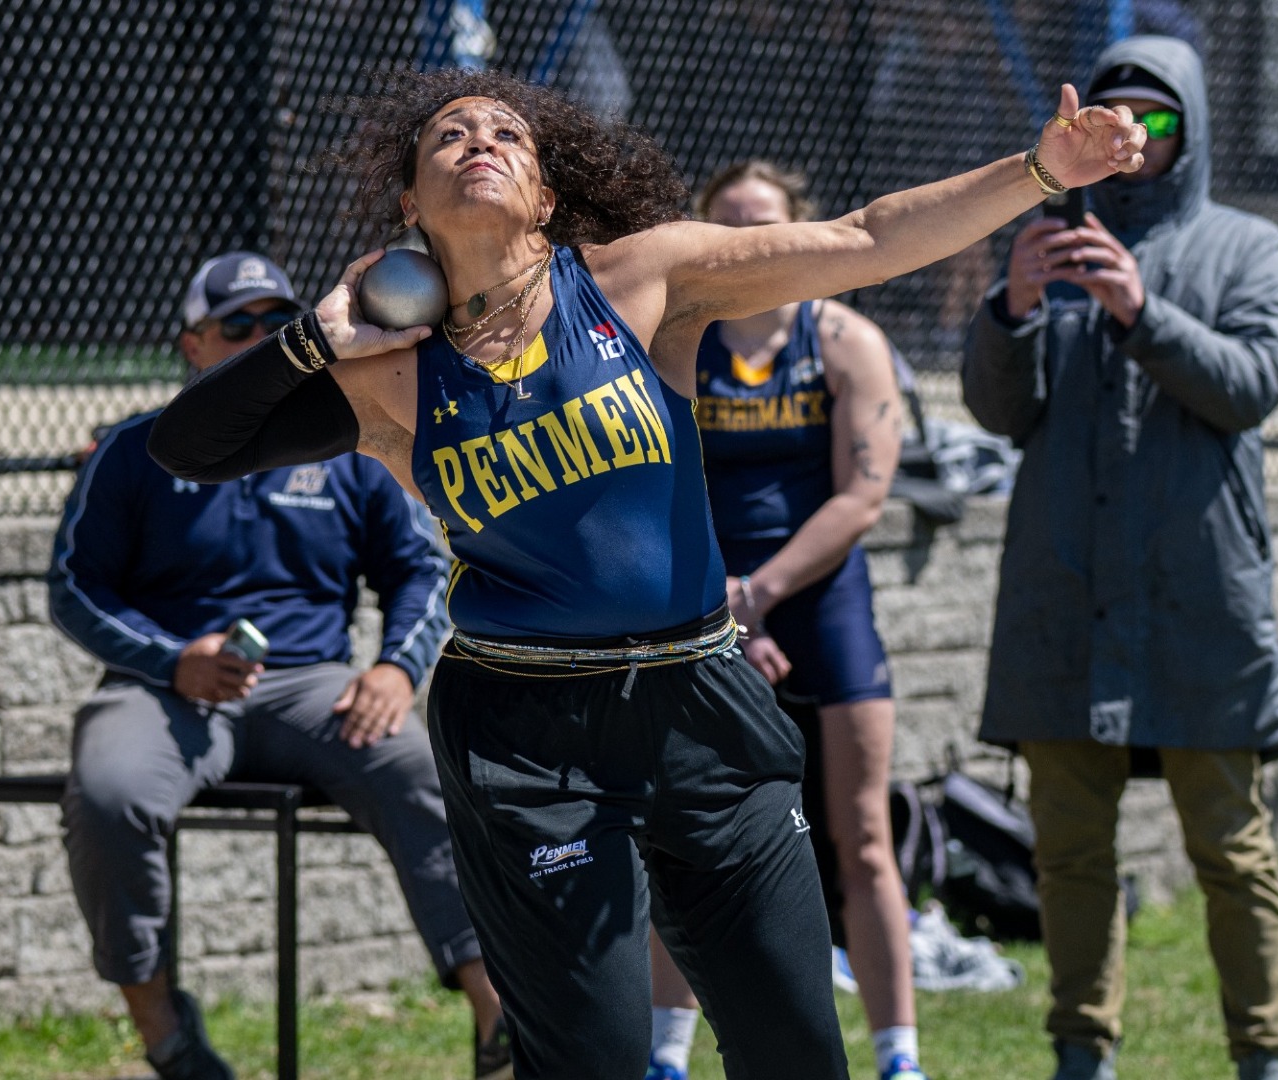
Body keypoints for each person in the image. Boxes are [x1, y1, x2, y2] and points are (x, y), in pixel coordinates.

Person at [143, 66, 1144, 1080]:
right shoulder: (395, 372)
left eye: (508, 133)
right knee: (595, 1063)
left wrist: (1037, 172)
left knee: (797, 1053)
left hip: (698, 702)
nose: (481, 140)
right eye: (449, 136)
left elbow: (865, 239)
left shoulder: (638, 282)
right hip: (524, 738)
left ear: (543, 192)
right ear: (409, 199)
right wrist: (314, 339)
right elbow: (189, 446)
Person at [47, 252, 508, 1080]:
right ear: (191, 346)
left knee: (422, 766)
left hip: (313, 688)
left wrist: (397, 670)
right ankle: (165, 1034)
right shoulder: (133, 449)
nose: (262, 339)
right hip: (167, 688)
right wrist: (171, 659)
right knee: (110, 791)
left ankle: (497, 1021)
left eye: (277, 324)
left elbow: (417, 571)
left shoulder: (348, 446)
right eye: (238, 327)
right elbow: (76, 588)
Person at [962, 36, 1278, 1080]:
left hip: (1201, 596)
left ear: (1189, 130)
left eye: (1154, 121)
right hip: (1066, 594)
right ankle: (1082, 1051)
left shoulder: (1248, 247)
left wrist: (1141, 311)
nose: (1132, 138)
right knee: (1070, 852)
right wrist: (1011, 310)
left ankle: (1265, 1055)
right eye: (1109, 121)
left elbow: (1252, 385)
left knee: (1232, 851)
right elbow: (997, 410)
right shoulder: (1044, 238)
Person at [640, 160, 918, 1080]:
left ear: (801, 232)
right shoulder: (679, 334)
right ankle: (667, 1055)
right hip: (700, 595)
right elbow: (652, 480)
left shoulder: (842, 338)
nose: (747, 244)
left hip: (818, 594)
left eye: (764, 225)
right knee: (686, 832)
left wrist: (761, 592)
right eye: (728, 226)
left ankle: (899, 1056)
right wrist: (718, 595)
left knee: (863, 836)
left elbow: (864, 495)